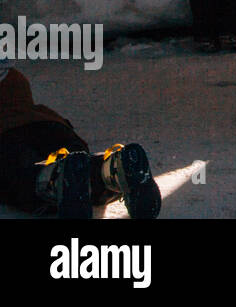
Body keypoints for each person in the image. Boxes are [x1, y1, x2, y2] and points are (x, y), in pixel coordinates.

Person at [0, 63, 160, 219]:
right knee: (79, 166)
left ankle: (54, 179)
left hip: (6, 137)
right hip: (49, 123)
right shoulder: (12, 77)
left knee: (19, 177)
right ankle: (113, 169)